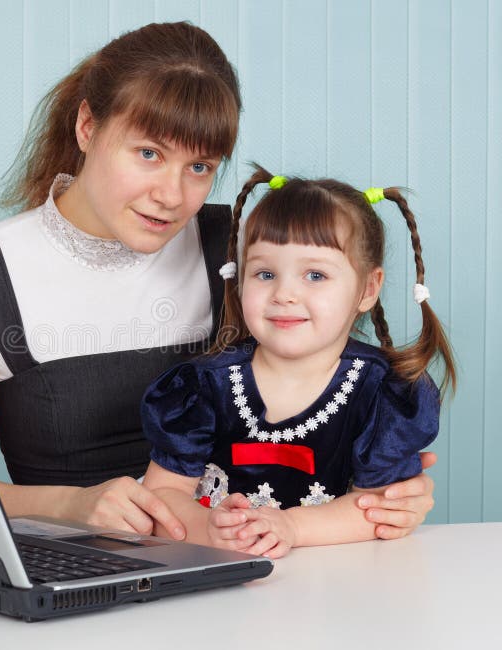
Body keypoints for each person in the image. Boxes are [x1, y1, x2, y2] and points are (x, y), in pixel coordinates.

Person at [0, 22, 436, 542]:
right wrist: (71, 505)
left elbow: (333, 404)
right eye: (148, 153)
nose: (172, 195)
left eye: (199, 166)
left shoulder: (241, 251)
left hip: (248, 568)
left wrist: (389, 497)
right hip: (73, 575)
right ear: (86, 126)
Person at [141, 166, 456, 557]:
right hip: (218, 577)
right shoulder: (204, 385)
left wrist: (290, 526)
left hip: (334, 584)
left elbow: (380, 509)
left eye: (315, 275)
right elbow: (161, 494)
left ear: (368, 288)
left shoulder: (382, 393)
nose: (284, 293)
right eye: (266, 273)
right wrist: (208, 529)